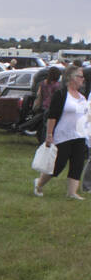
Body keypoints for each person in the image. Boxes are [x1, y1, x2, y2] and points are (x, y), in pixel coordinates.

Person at [34, 64, 89, 200]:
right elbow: (52, 116)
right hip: (62, 135)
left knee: (77, 164)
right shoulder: (61, 94)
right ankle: (39, 183)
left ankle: (71, 192)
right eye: (81, 76)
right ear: (72, 78)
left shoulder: (82, 97)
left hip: (79, 135)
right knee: (58, 165)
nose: (83, 79)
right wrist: (49, 135)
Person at [31, 66, 61, 142]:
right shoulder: (57, 85)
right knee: (51, 127)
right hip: (51, 107)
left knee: (44, 126)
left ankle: (42, 140)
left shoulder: (43, 83)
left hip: (43, 105)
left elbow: (39, 94)